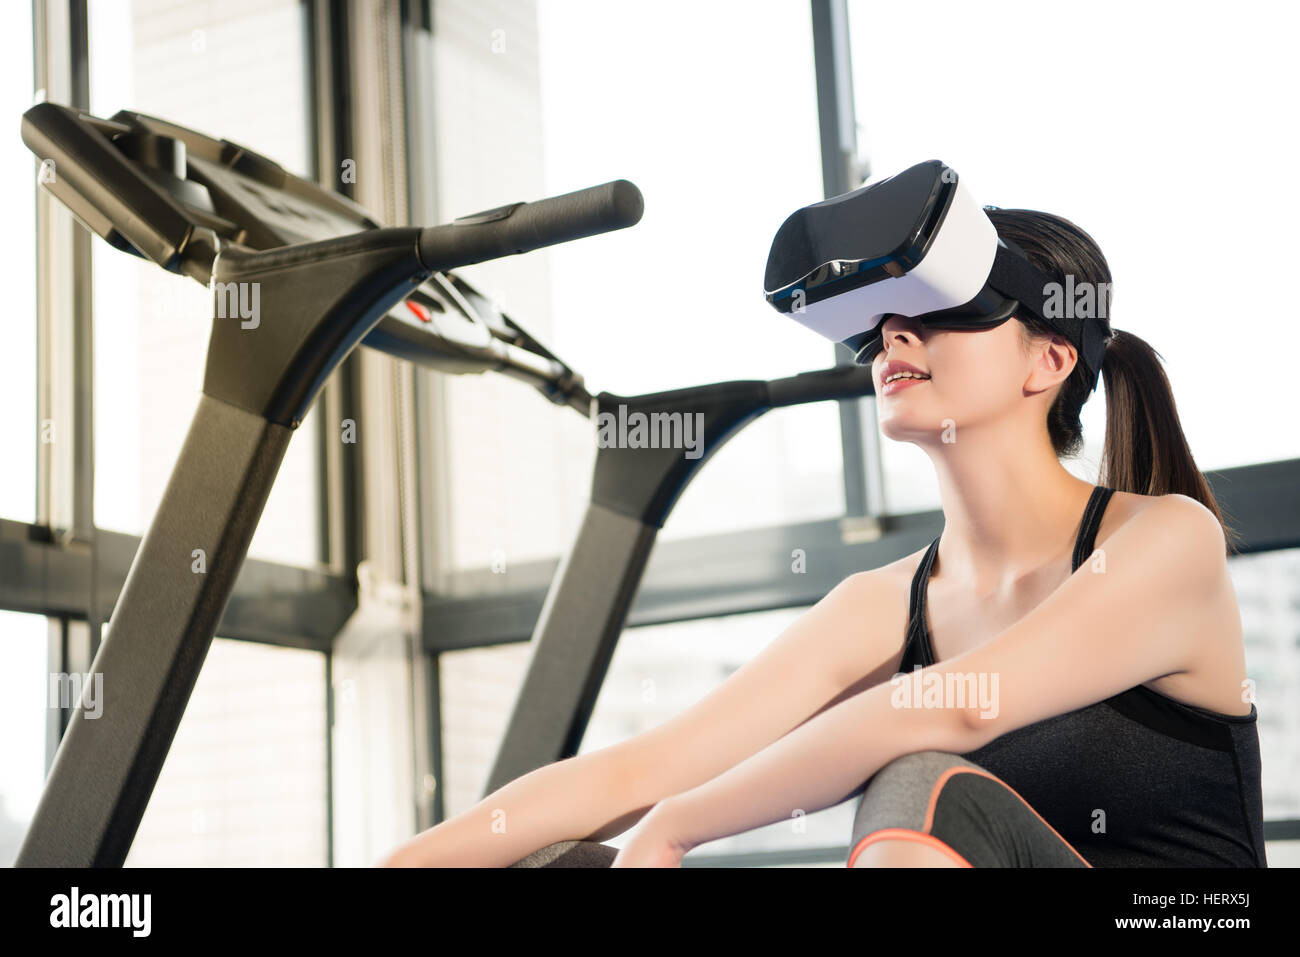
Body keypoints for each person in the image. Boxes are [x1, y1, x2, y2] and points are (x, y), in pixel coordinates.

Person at [381, 208, 1266, 868]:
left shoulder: (1165, 540)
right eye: (886, 312)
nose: (896, 331)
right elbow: (641, 770)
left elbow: (963, 705)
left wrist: (680, 822)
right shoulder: (882, 606)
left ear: (1050, 359)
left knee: (918, 781)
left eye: (946, 305)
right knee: (546, 861)